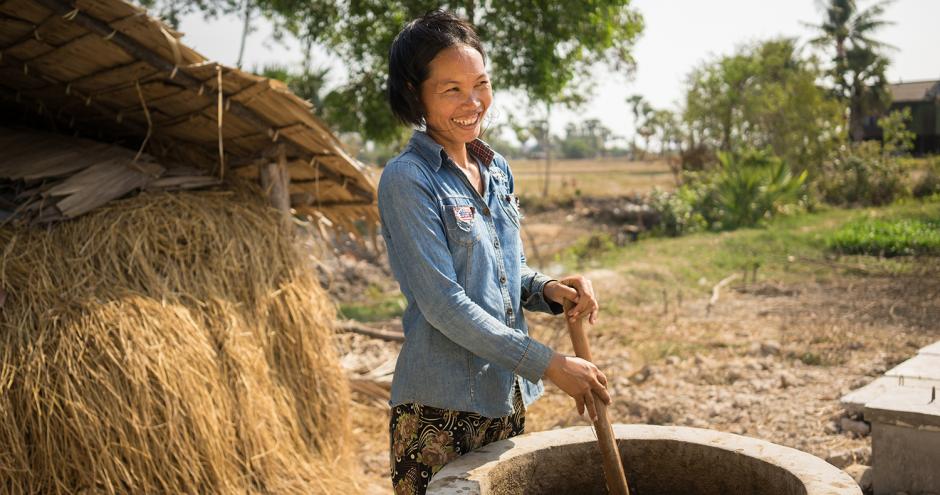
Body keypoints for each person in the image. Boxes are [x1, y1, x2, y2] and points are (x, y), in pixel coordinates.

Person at [378, 10, 610, 495]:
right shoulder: (408, 179)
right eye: (452, 89)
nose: (473, 103)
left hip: (504, 401)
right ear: (414, 94)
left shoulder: (496, 168)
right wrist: (550, 363)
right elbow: (444, 305)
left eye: (480, 84)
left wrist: (550, 289)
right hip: (439, 411)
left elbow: (508, 272)